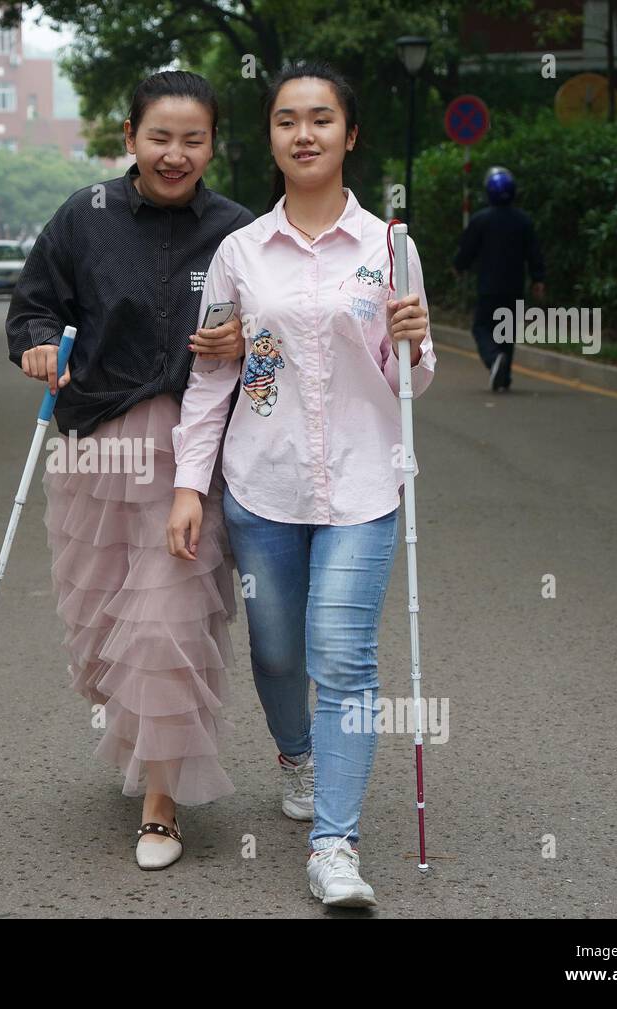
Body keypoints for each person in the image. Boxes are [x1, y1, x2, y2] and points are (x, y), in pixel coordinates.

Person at [167, 61, 434, 907]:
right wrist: (187, 482)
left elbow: (412, 382)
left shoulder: (390, 247)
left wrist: (416, 343)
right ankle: (295, 751)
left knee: (344, 657)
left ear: (350, 135)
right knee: (278, 650)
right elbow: (215, 375)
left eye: (323, 119)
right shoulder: (239, 253)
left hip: (363, 484)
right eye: (288, 120)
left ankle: (335, 844)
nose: (306, 134)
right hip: (262, 485)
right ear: (272, 139)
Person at [5, 71, 254, 870]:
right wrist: (39, 343)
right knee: (104, 630)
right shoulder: (86, 214)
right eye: (160, 137)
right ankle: (145, 738)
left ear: (214, 143)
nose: (176, 154)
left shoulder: (240, 231)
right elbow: (32, 306)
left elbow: (285, 335)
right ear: (130, 138)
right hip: (97, 449)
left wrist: (246, 340)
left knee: (169, 619)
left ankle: (160, 804)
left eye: (194, 139)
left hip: (196, 452)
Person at [453, 165, 546, 391]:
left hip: (489, 288)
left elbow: (467, 250)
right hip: (514, 287)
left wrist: (458, 267)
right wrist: (538, 279)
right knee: (507, 331)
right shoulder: (523, 221)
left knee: (481, 328)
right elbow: (534, 253)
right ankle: (503, 378)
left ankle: (494, 358)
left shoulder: (480, 220)